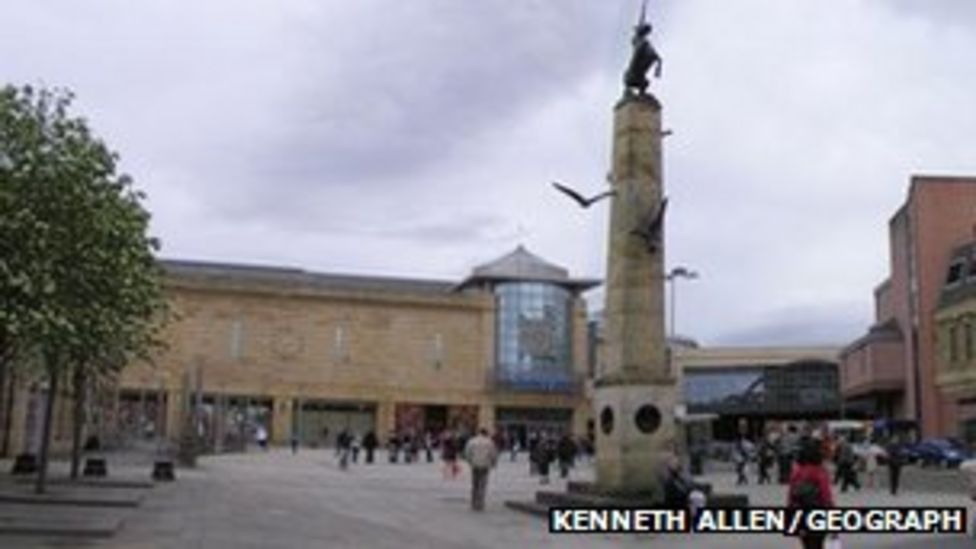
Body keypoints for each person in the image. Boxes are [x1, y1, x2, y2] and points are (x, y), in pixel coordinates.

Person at [787, 437, 835, 549]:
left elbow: (791, 495)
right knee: (818, 544)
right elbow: (826, 496)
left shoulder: (796, 471)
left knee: (807, 544)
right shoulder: (820, 472)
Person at [463, 429, 498, 511]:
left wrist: (470, 461)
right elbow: (493, 453)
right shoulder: (490, 442)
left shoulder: (472, 441)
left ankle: (474, 502)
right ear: (486, 433)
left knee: (475, 484)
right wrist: (494, 463)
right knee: (482, 485)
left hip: (475, 464)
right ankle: (480, 503)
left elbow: (467, 452)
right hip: (485, 465)